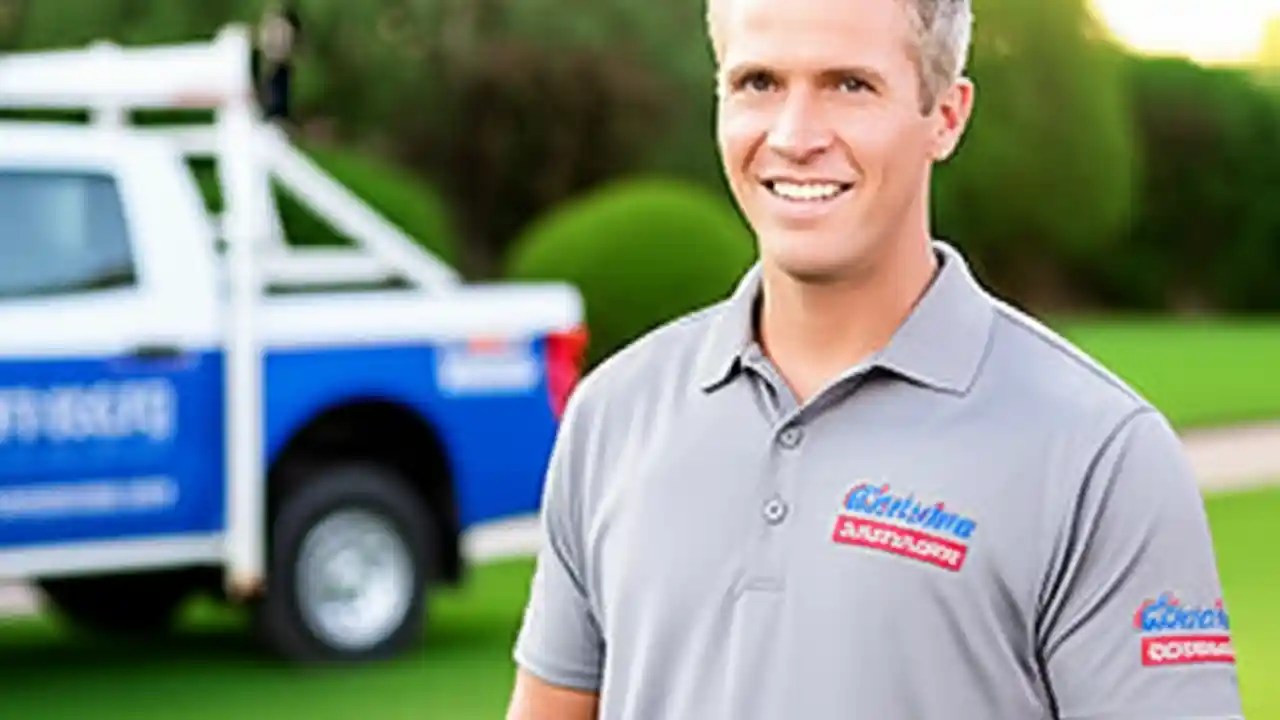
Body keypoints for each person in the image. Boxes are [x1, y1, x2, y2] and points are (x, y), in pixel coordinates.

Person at [506, 0, 1244, 717]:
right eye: (758, 82)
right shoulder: (614, 414)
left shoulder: (1101, 455)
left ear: (946, 116)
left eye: (849, 85)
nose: (795, 135)